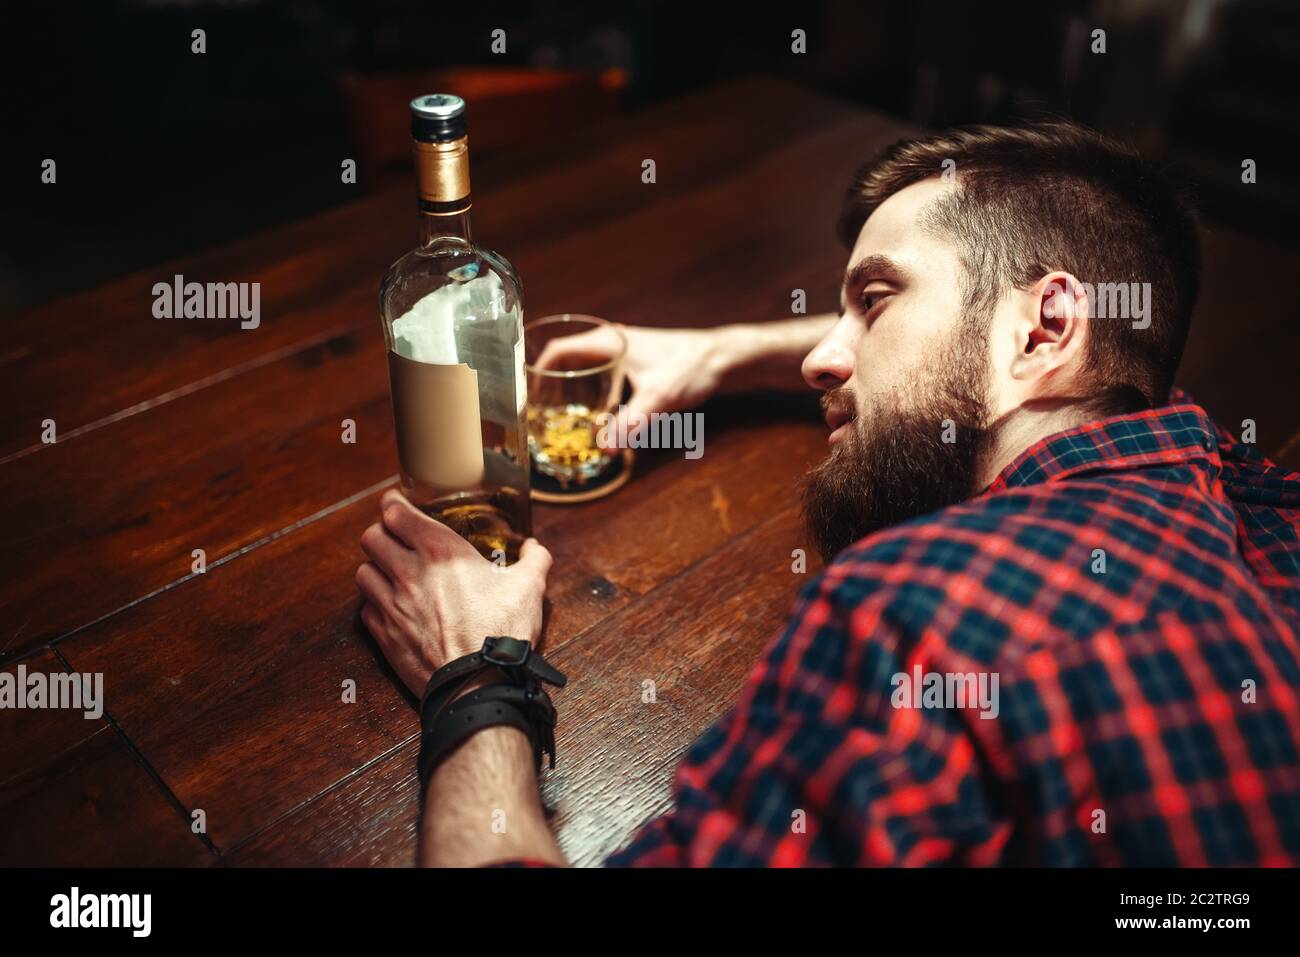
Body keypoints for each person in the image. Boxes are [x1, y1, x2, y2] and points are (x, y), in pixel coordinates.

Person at [355, 119, 1300, 866]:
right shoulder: (1232, 483)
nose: (818, 355)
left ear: (1046, 328)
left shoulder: (915, 613)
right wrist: (726, 348)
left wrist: (477, 673)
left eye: (874, 299)